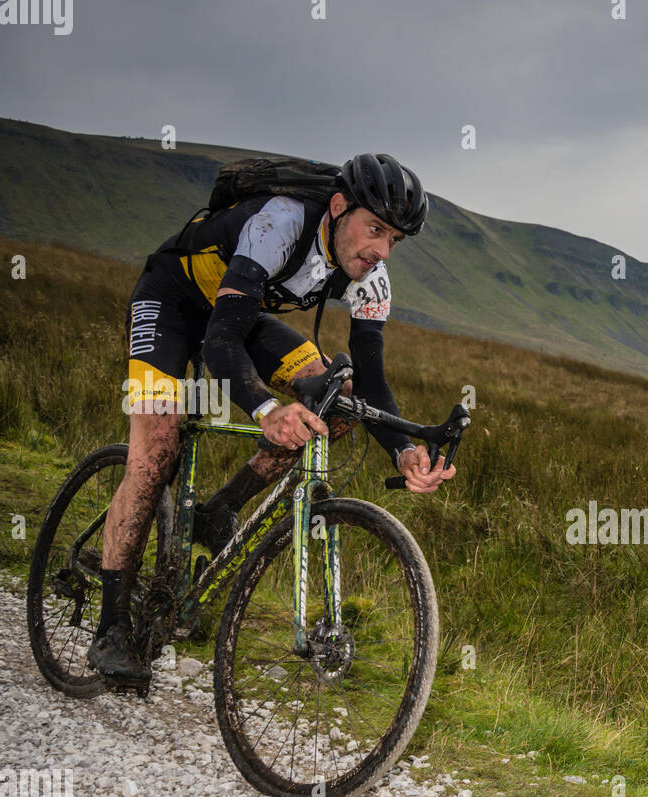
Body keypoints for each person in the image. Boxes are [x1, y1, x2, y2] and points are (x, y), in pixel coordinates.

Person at [88, 152, 455, 686]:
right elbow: (220, 340)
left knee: (342, 398)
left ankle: (220, 510)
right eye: (374, 229)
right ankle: (113, 628)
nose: (381, 251)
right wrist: (266, 410)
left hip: (241, 313)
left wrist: (405, 450)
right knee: (156, 456)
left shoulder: (373, 280)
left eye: (394, 240)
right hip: (173, 302)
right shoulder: (278, 223)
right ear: (337, 208)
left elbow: (373, 386)